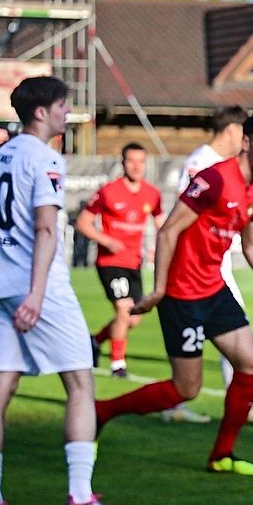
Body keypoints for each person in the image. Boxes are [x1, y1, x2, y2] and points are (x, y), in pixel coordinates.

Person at [95, 111, 253, 476]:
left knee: (250, 365)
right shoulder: (213, 179)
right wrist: (161, 289)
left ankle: (222, 455)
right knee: (186, 389)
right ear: (245, 141)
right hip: (182, 296)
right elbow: (167, 232)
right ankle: (102, 412)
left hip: (214, 289)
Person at [0, 76, 121, 505]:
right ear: (41, 112)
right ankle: (81, 496)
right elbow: (46, 229)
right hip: (38, 286)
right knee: (80, 382)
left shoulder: (0, 156)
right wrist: (36, 292)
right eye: (62, 107)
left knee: (0, 387)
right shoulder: (45, 158)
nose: (66, 114)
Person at [166, 105, 253, 425]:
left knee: (236, 333)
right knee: (225, 335)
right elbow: (181, 219)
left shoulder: (234, 169)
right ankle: (181, 402)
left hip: (215, 261)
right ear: (234, 132)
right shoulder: (202, 163)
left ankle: (237, 401)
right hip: (194, 267)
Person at [76, 143, 164, 377]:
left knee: (133, 318)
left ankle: (95, 340)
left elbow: (162, 226)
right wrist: (105, 240)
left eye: (141, 161)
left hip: (133, 263)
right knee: (124, 309)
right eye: (131, 161)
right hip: (110, 263)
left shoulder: (152, 194)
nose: (136, 166)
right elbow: (83, 223)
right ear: (123, 163)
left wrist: (159, 248)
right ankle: (118, 365)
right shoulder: (108, 191)